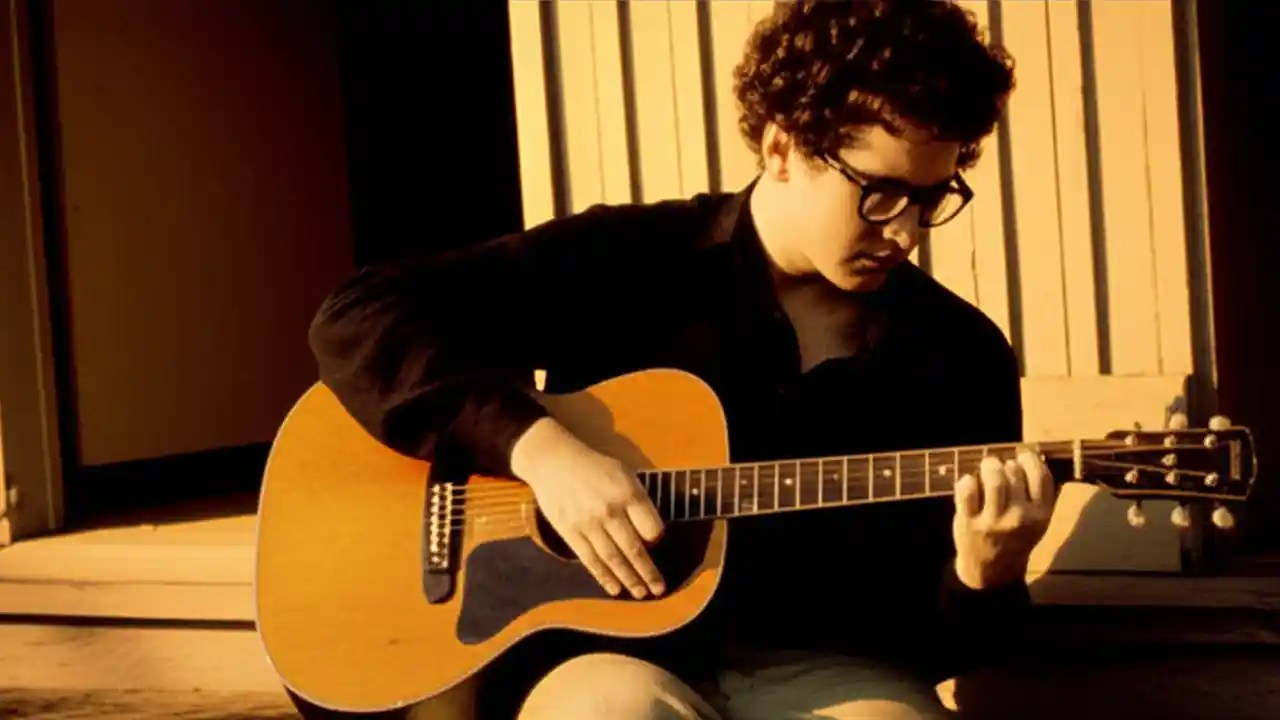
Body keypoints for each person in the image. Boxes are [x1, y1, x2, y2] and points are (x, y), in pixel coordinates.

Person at [300, 1, 1054, 718]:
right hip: (608, 660)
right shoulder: (632, 261)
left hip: (825, 675)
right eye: (880, 193)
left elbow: (954, 652)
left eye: (932, 197)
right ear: (783, 147)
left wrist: (986, 575)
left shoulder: (958, 355)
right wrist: (545, 453)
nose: (908, 229)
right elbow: (359, 318)